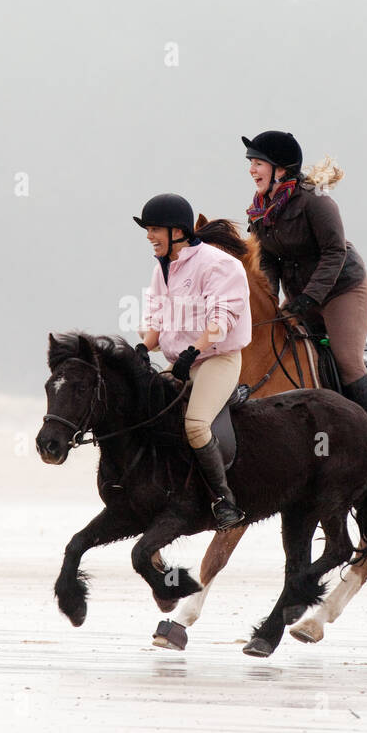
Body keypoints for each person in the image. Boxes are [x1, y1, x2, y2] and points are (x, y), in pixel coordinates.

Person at [241, 130, 367, 423]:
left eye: (257, 163)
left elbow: (334, 252)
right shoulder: (260, 209)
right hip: (301, 296)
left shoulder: (315, 201)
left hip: (341, 290)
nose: (252, 170)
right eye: (251, 163)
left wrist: (310, 297)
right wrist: (270, 298)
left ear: (280, 168)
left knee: (348, 362)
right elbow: (267, 259)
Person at [135, 193, 252, 530]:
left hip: (217, 359)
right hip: (182, 362)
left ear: (177, 231)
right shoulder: (163, 268)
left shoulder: (218, 265)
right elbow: (155, 316)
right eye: (148, 229)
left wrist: (192, 352)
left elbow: (222, 318)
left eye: (154, 228)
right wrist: (144, 347)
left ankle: (223, 500)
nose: (148, 236)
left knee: (195, 425)